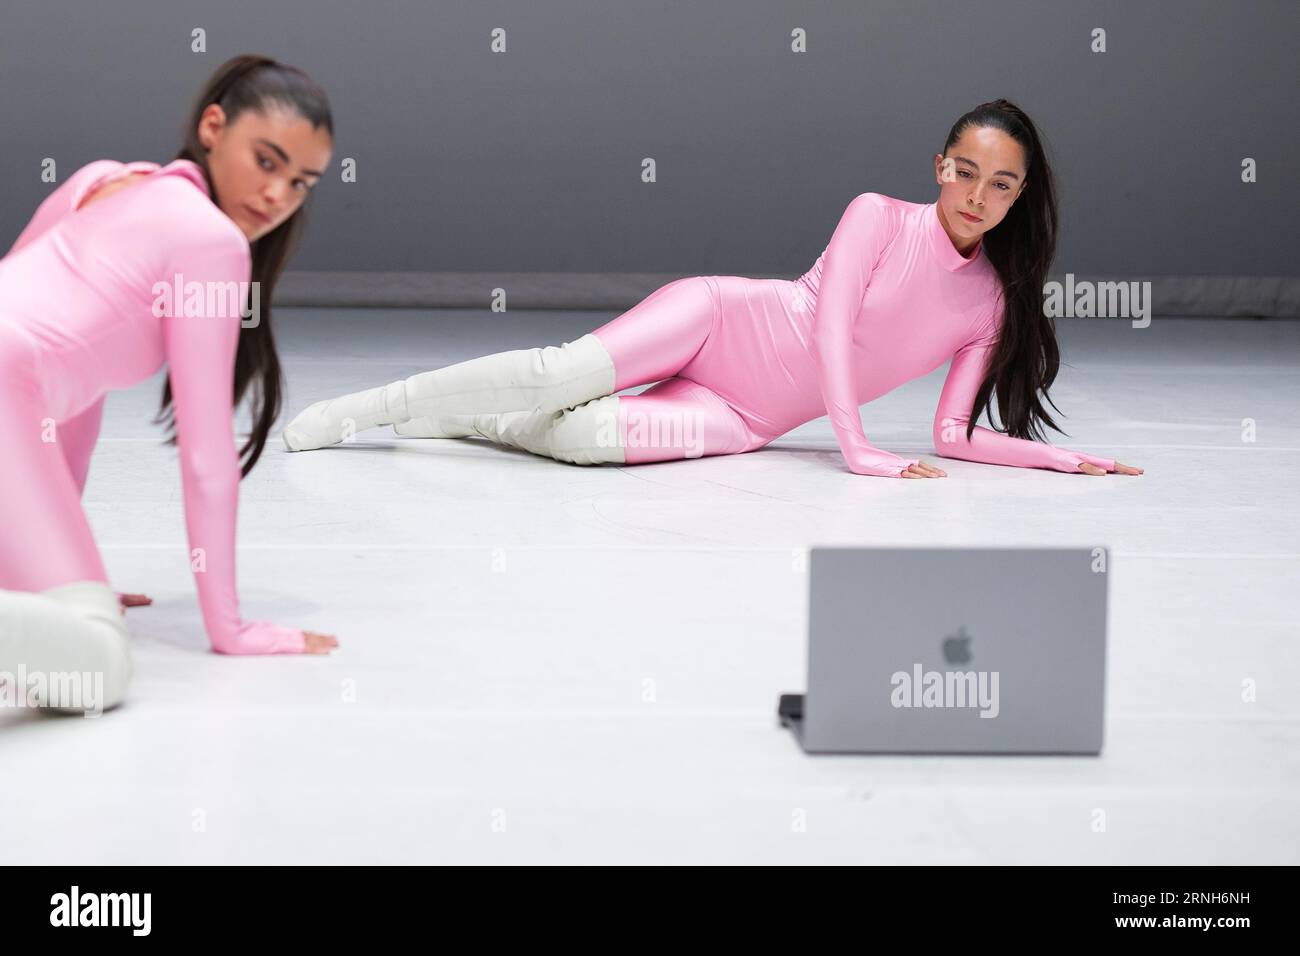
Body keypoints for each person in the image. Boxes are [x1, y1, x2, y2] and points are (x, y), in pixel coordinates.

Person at [281, 99, 1142, 483]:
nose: (977, 195)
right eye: (965, 172)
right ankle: (369, 408)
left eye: (1000, 184)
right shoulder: (877, 216)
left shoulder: (990, 302)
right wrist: (856, 447)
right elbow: (832, 331)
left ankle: (459, 417)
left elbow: (953, 436)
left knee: (582, 444)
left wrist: (1062, 459)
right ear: (940, 166)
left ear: (1022, 194)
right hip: (721, 323)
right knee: (554, 378)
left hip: (747, 420)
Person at [0, 55, 339, 715]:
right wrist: (229, 628)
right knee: (94, 665)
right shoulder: (213, 243)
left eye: (301, 183)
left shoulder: (103, 179)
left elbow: (66, 411)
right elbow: (207, 456)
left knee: (71, 616)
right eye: (266, 162)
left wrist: (62, 571)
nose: (278, 197)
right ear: (212, 127)